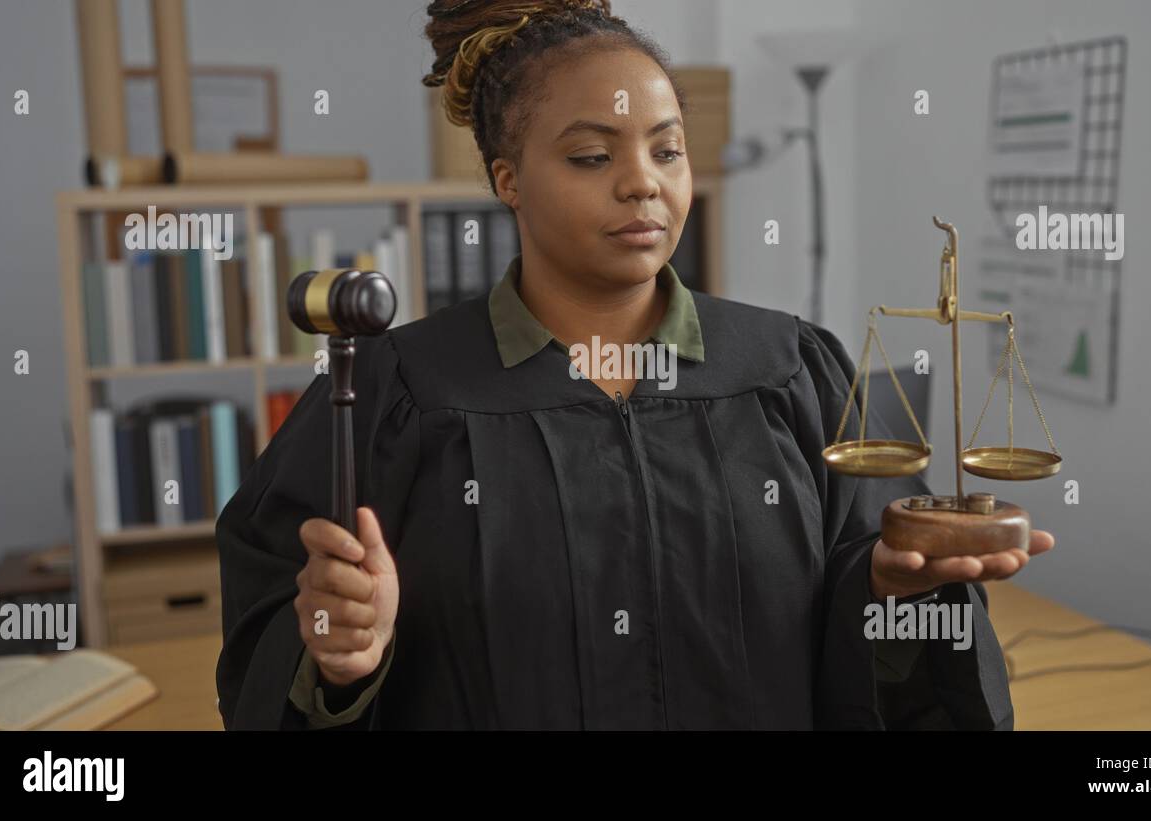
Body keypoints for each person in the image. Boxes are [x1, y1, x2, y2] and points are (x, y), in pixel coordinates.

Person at [215, 0, 1055, 730]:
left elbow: (876, 653)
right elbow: (272, 628)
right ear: (508, 179)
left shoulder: (794, 371)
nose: (642, 185)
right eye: (592, 156)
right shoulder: (400, 393)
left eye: (667, 150)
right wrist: (337, 660)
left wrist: (886, 596)